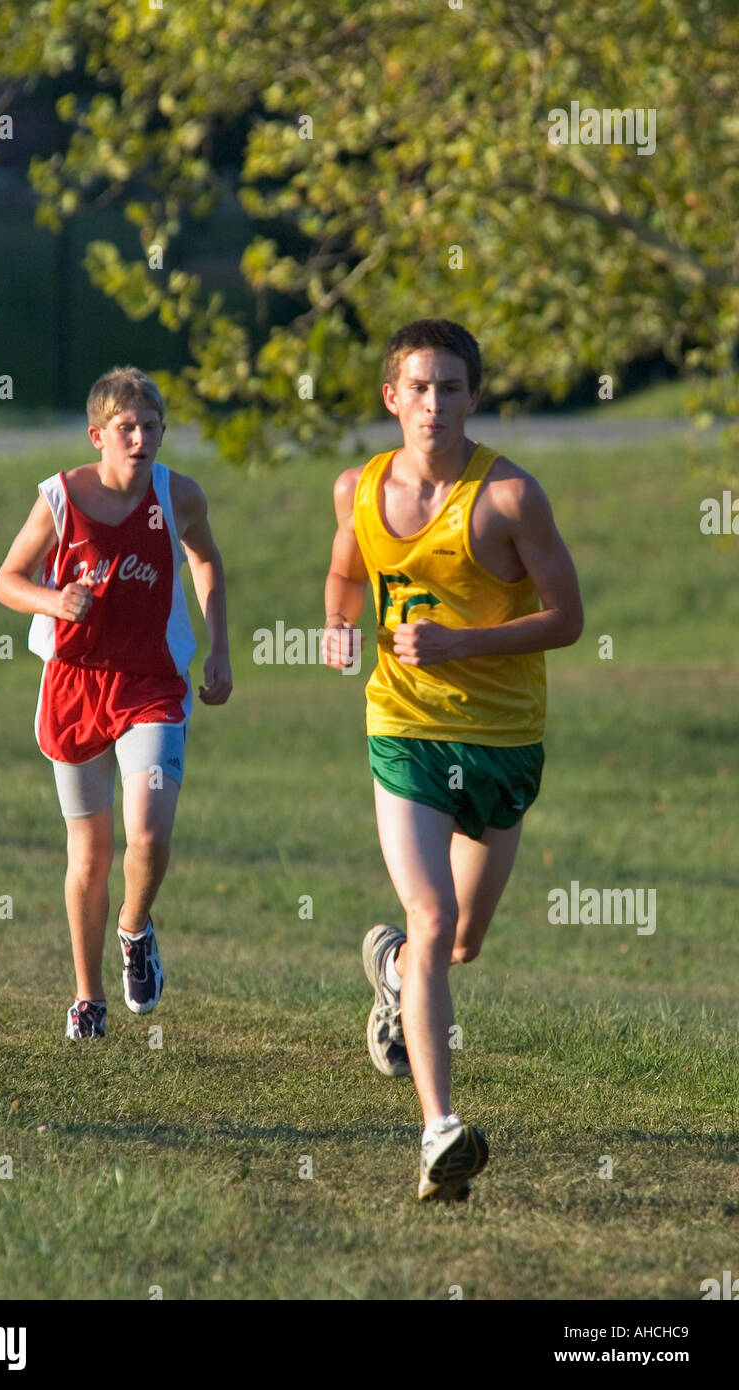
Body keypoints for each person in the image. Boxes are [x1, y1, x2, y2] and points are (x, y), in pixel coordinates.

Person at [322, 320, 583, 1200]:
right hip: (404, 729)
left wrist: (460, 645)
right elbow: (346, 571)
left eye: (450, 388)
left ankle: (393, 970)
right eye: (417, 388)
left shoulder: (511, 497)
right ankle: (440, 1134)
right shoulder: (356, 489)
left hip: (505, 740)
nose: (433, 404)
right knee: (433, 915)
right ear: (391, 398)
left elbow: (568, 618)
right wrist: (338, 623)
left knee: (460, 942)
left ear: (474, 397)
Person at [0, 366, 231, 1039]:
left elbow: (207, 560)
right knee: (90, 853)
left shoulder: (177, 495)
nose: (140, 438)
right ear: (98, 434)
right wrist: (53, 599)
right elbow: (6, 580)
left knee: (149, 834)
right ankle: (88, 998)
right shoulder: (60, 498)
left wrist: (219, 648)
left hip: (151, 683)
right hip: (74, 685)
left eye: (151, 426)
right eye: (126, 428)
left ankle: (134, 929)